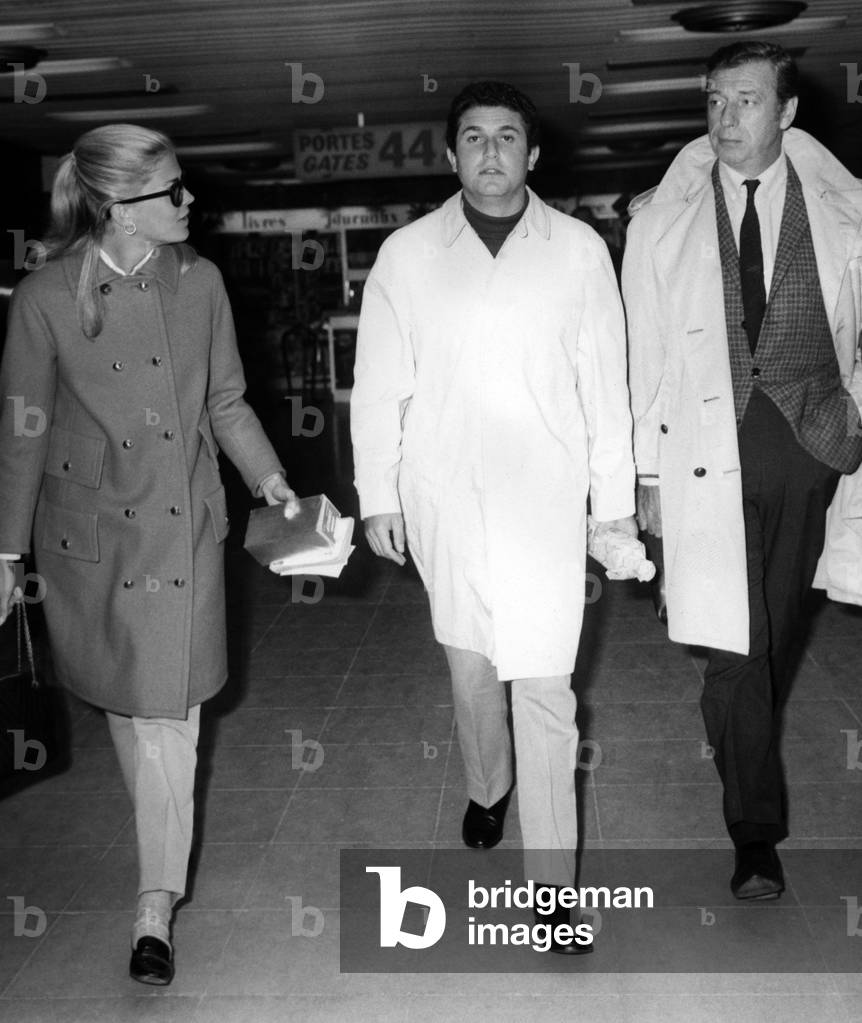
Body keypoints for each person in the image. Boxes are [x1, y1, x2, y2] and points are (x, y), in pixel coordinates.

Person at [0, 124, 299, 985]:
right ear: (119, 211)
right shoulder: (45, 297)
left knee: (171, 715)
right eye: (172, 192)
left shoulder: (200, 282)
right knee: (130, 713)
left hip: (180, 529)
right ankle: (159, 855)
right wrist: (5, 551)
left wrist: (270, 479)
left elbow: (230, 401)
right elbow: (21, 432)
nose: (189, 201)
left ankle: (153, 905)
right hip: (88, 539)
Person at [351, 81, 636, 953]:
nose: (489, 153)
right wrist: (379, 496)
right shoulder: (406, 255)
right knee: (474, 672)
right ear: (450, 155)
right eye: (472, 138)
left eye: (507, 137)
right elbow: (377, 387)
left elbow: (607, 389)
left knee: (547, 690)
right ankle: (486, 786)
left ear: (533, 155)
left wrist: (614, 510)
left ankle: (552, 895)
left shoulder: (581, 251)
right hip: (445, 499)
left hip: (546, 504)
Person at [623, 42, 862, 899]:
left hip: (812, 446)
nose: (727, 119)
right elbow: (641, 351)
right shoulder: (659, 218)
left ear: (787, 113)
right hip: (698, 451)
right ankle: (754, 833)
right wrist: (640, 479)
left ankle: (737, 726)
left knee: (775, 631)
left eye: (747, 101)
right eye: (715, 101)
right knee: (737, 643)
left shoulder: (847, 211)